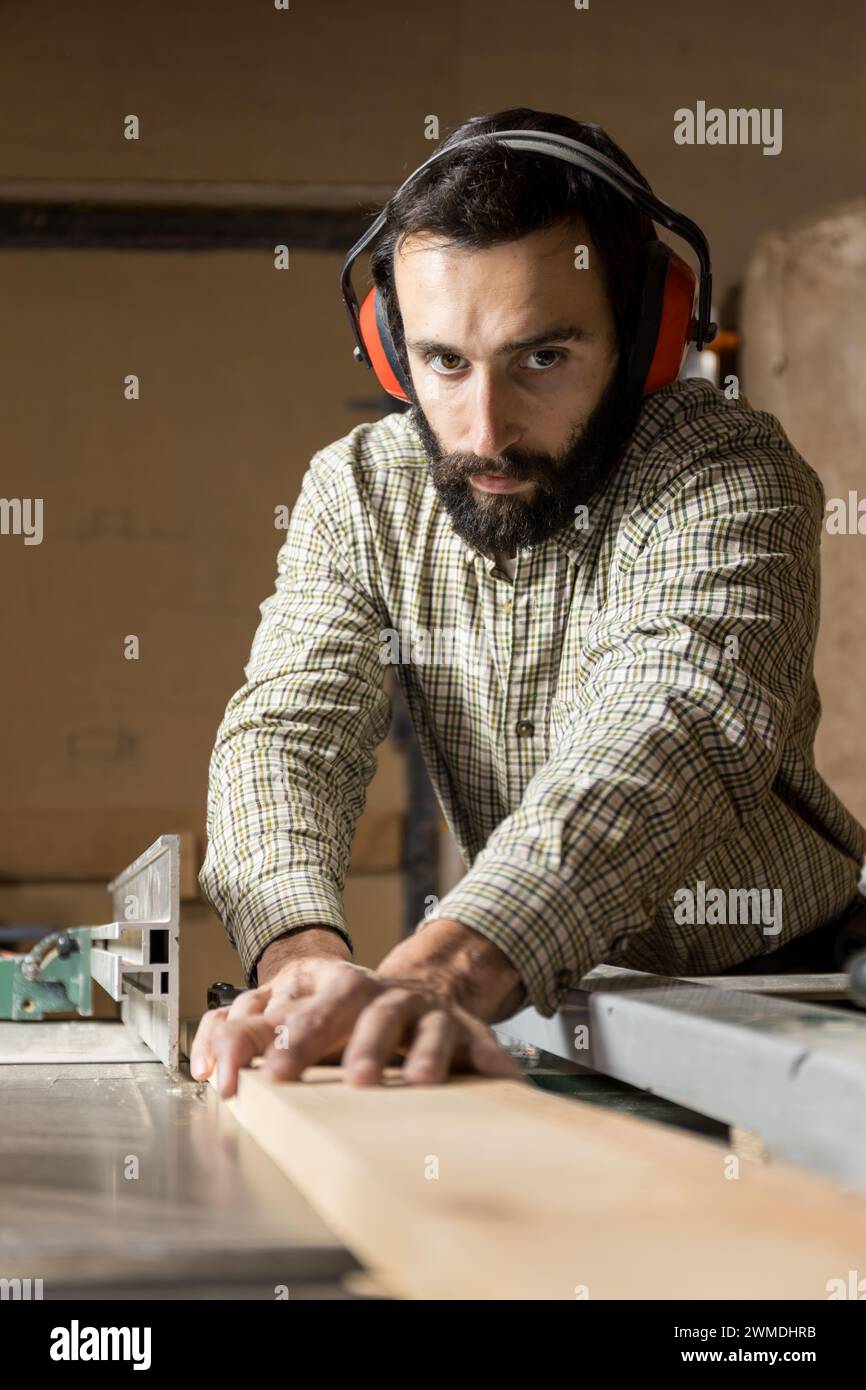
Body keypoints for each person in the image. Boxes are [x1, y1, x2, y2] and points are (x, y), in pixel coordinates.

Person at [191, 107, 866, 1097]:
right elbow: (287, 733)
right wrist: (302, 969)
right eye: (442, 363)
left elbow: (666, 727)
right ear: (390, 350)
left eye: (540, 359)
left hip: (782, 998)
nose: (484, 430)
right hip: (544, 998)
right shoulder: (360, 493)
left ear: (644, 338)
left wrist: (439, 966)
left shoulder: (727, 472)